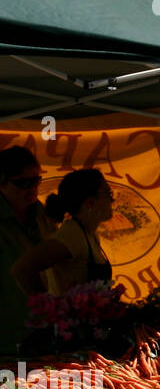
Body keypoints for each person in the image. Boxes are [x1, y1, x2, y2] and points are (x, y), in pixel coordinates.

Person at [13, 169, 114, 299]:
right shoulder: (72, 235)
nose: (113, 200)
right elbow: (22, 269)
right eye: (108, 193)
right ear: (90, 202)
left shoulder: (91, 235)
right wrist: (51, 309)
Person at [0, 147, 54, 353]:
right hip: (7, 334)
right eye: (23, 183)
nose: (31, 189)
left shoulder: (42, 214)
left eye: (36, 181)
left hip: (45, 330)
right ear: (1, 182)